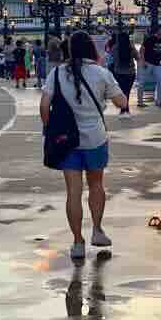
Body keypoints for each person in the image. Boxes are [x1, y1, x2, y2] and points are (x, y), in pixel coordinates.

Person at [40, 31, 128, 260]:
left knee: (73, 192)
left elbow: (44, 106)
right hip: (95, 139)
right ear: (91, 49)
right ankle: (97, 230)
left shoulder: (56, 73)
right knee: (96, 184)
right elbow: (122, 102)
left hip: (67, 142)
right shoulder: (101, 73)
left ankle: (77, 242)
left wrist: (51, 130)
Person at [138, 25, 161, 108]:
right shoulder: (150, 39)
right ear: (158, 31)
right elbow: (141, 50)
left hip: (157, 64)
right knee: (142, 82)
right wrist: (142, 62)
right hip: (147, 63)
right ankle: (140, 102)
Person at [110, 29, 136, 111]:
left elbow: (113, 58)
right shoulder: (131, 47)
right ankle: (126, 108)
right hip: (130, 73)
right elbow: (137, 57)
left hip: (118, 73)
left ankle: (124, 108)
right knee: (127, 91)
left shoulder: (114, 48)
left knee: (122, 90)